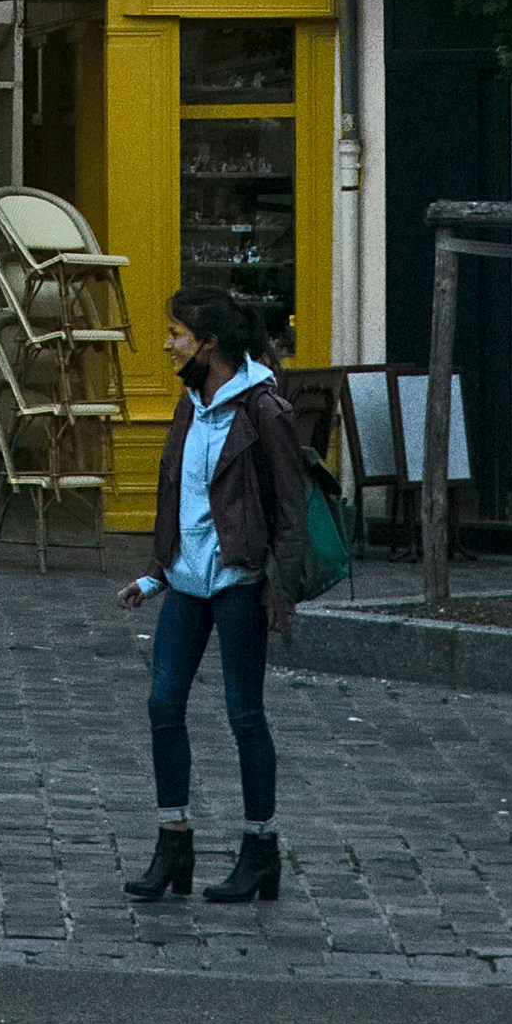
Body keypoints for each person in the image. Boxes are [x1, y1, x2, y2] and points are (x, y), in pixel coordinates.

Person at [120, 285, 307, 904]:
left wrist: (279, 589)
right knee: (162, 704)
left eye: (177, 334)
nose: (168, 345)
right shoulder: (188, 405)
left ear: (211, 344)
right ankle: (173, 841)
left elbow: (290, 508)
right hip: (186, 584)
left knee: (243, 714)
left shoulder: (262, 411)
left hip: (238, 582)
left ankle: (260, 849)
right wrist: (154, 573)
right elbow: (176, 497)